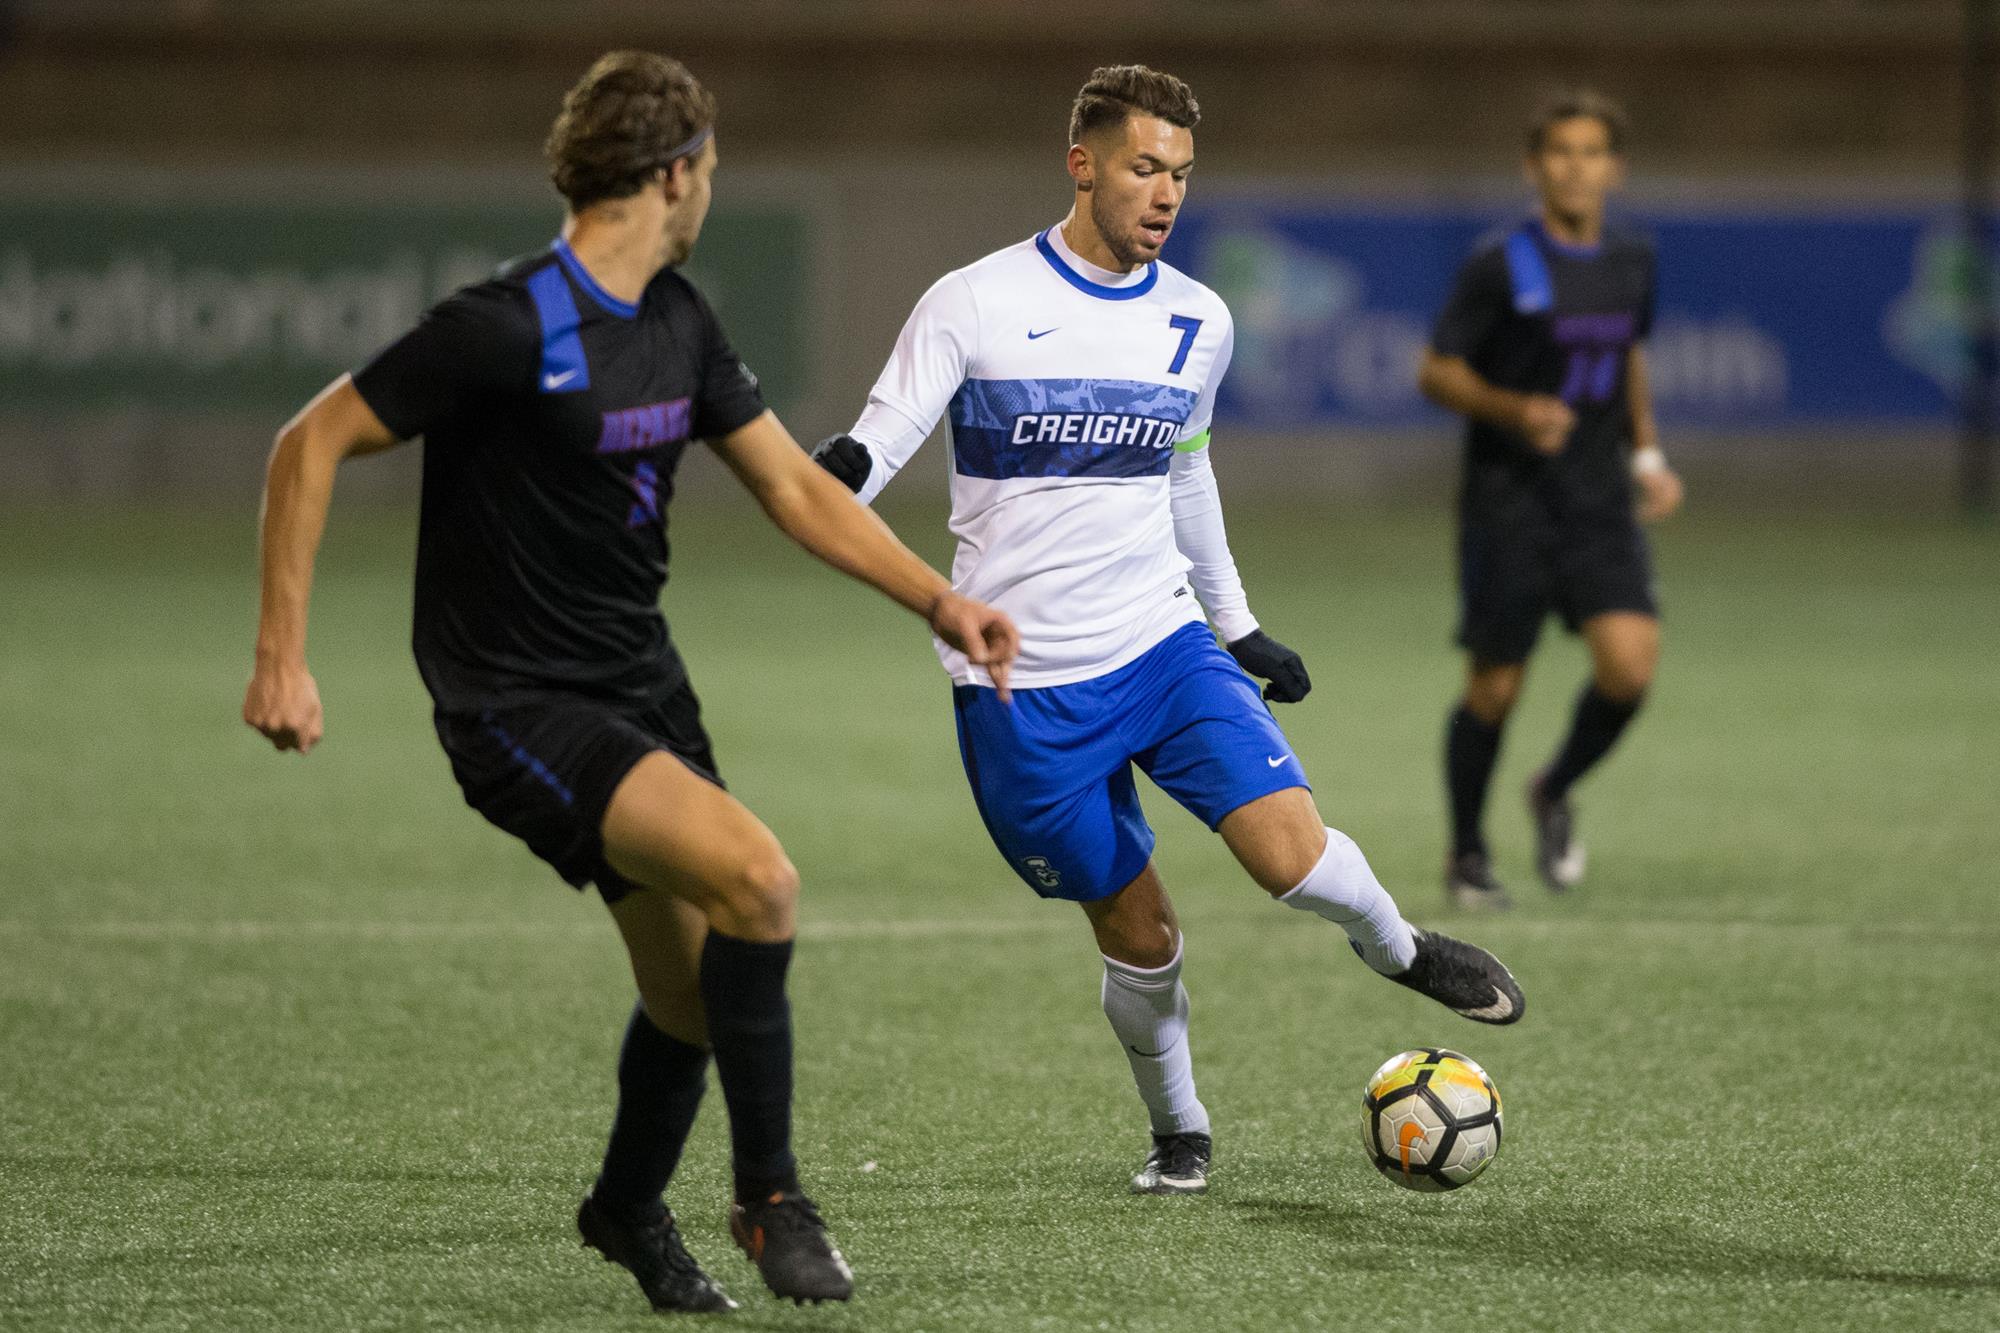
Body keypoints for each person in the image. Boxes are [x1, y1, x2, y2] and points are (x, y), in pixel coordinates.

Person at [241, 50, 1018, 1313]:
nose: (710, 187)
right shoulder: (503, 325)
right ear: (673, 172)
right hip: (515, 705)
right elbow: (308, 441)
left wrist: (937, 597)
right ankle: (770, 1198)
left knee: (690, 996)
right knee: (759, 879)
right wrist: (282, 655)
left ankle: (622, 1208)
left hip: (639, 686)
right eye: (707, 167)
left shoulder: (678, 321)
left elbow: (790, 486)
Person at [811, 64, 1524, 1199]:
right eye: (1144, 168)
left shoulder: (1198, 319)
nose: (1164, 195)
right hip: (1020, 689)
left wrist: (1235, 628)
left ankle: (1401, 949)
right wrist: (807, 479)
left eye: (1182, 175)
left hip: (1161, 644)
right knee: (1138, 929)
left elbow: (1185, 475)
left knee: (1292, 856)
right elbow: (871, 445)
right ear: (1080, 162)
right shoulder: (973, 302)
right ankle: (1178, 1126)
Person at [1419, 89, 1685, 911]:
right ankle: (1467, 854)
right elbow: (1437, 370)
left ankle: (1553, 786)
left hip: (1597, 500)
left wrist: (1646, 452)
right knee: (1496, 688)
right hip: (1510, 504)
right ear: (1535, 167)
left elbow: (1630, 356)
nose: (1577, 167)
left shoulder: (1632, 260)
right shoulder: (1501, 262)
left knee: (1630, 668)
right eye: (1560, 152)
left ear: (1616, 167)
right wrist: (1513, 408)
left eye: (1592, 152)